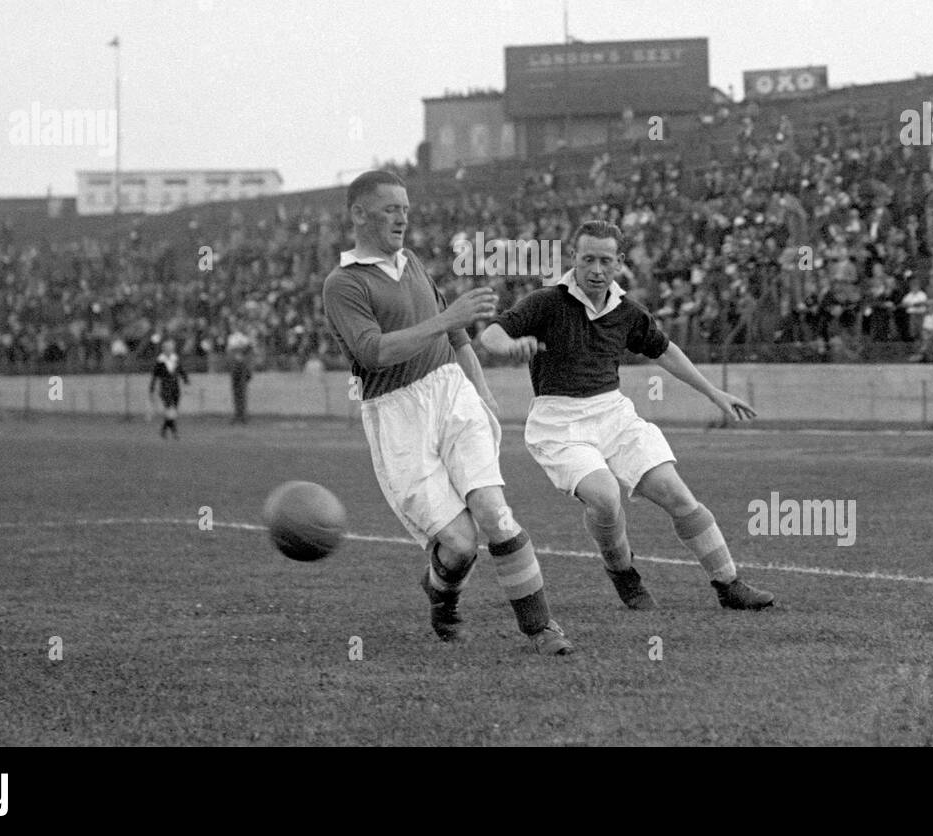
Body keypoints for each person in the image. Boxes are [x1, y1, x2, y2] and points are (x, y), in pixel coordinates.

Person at [323, 170, 574, 655]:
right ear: (358, 213)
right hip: (396, 413)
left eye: (406, 208)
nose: (403, 217)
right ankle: (442, 598)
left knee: (495, 514)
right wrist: (446, 318)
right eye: (391, 208)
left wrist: (481, 391)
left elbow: (457, 337)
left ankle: (542, 628)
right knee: (459, 544)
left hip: (452, 392)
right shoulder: (343, 283)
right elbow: (373, 352)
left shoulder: (412, 262)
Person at [480, 220, 775, 613]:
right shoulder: (546, 302)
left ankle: (729, 584)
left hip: (614, 413)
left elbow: (665, 351)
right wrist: (512, 345)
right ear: (573, 258)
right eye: (588, 260)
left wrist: (713, 392)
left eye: (605, 261)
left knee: (678, 496)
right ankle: (622, 572)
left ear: (619, 261)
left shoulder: (627, 312)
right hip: (560, 422)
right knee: (605, 497)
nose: (597, 270)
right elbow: (492, 334)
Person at [149, 338, 189, 439]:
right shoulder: (160, 361)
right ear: (164, 349)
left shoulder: (175, 359)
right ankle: (175, 433)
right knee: (170, 410)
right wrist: (152, 387)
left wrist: (186, 380)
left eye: (171, 348)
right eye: (169, 347)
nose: (170, 349)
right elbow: (155, 375)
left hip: (175, 387)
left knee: (173, 411)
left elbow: (181, 370)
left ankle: (163, 430)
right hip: (165, 388)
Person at [229, 341, 253, 425]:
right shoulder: (242, 361)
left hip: (238, 383)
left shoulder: (239, 361)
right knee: (240, 400)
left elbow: (236, 373)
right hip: (240, 383)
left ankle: (240, 417)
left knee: (239, 400)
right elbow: (248, 374)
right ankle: (241, 417)